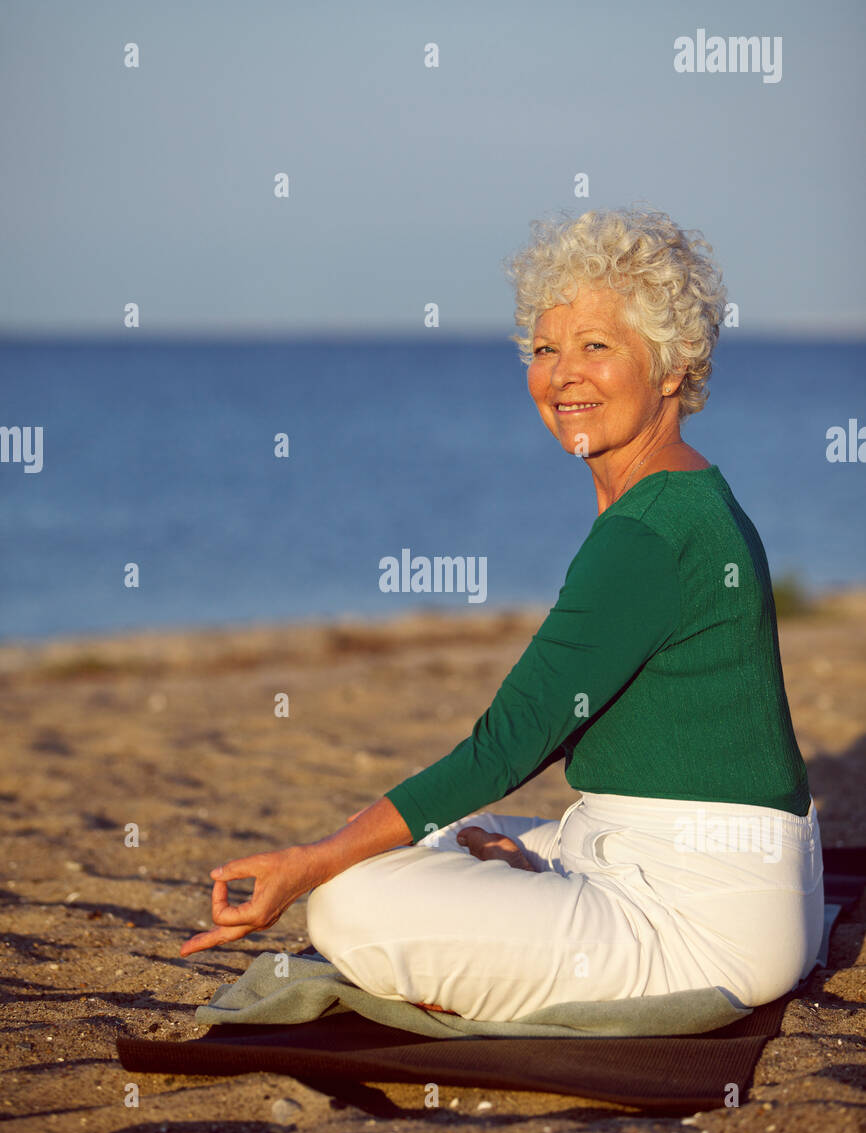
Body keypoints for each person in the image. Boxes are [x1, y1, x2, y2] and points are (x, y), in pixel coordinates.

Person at [180, 206, 824, 1020]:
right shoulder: (681, 494)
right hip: (692, 860)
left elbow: (509, 743)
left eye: (597, 346)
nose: (562, 376)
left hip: (705, 920)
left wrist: (306, 865)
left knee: (347, 902)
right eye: (546, 349)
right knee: (419, 836)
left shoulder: (650, 534)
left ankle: (502, 891)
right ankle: (533, 873)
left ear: (672, 366)